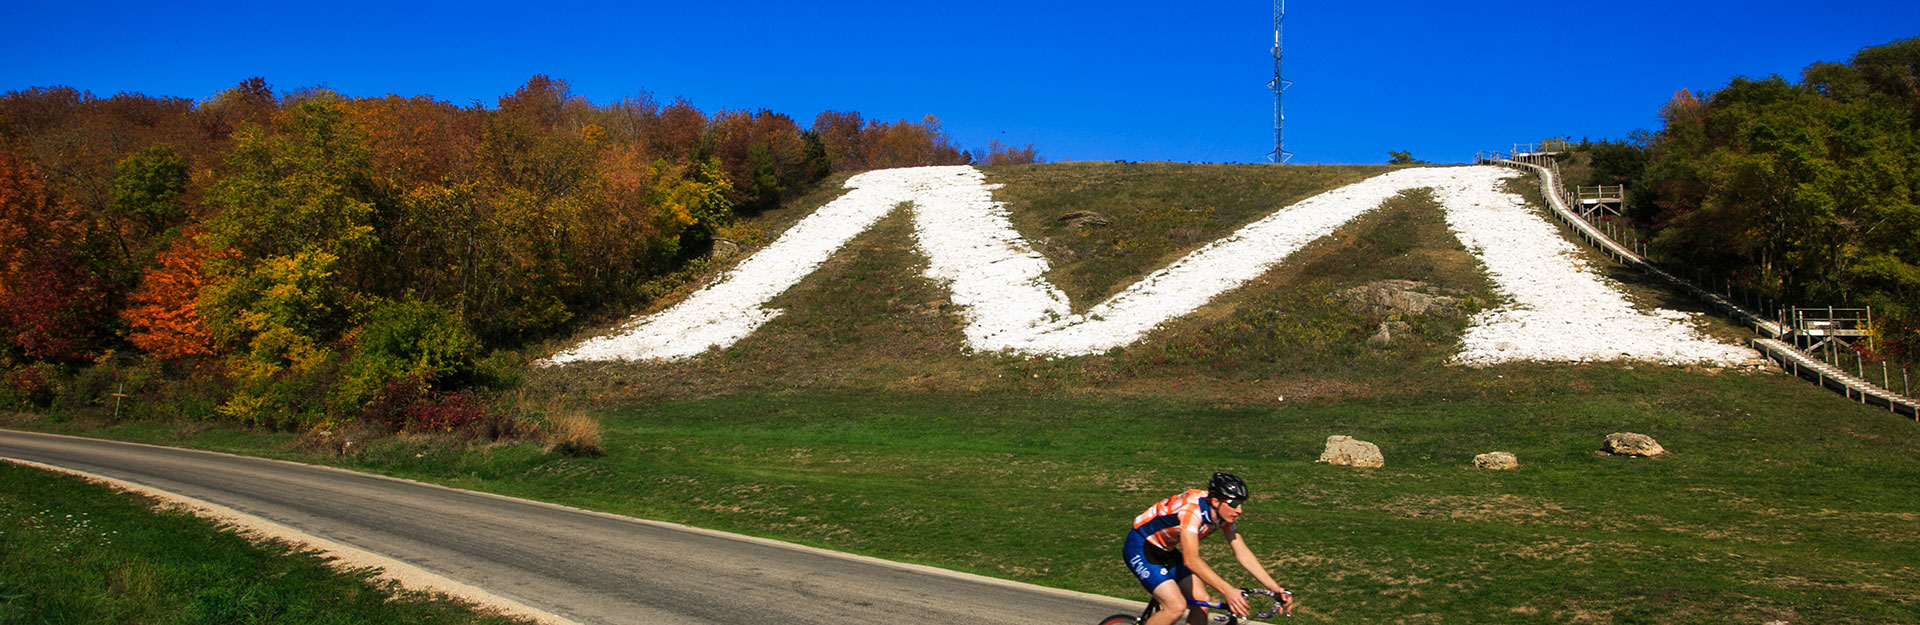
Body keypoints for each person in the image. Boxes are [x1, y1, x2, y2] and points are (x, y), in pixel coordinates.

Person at [1124, 472, 1294, 624]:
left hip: (1167, 549)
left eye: (1241, 504)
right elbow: (1191, 560)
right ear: (1215, 501)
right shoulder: (1192, 512)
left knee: (1203, 602)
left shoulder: (1222, 515)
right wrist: (1228, 591)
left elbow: (1242, 553)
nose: (1239, 510)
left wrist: (1275, 588)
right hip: (1141, 546)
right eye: (1234, 504)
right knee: (1175, 606)